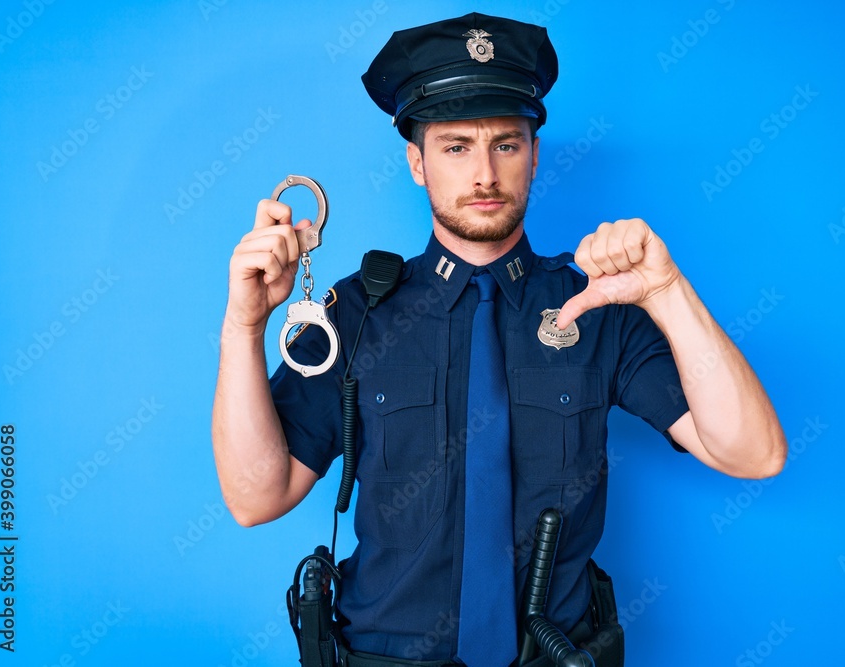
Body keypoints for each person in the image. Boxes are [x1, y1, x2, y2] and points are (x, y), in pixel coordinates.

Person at [212, 11, 786, 667]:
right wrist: (245, 324)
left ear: (535, 154)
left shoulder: (598, 303)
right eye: (456, 146)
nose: (484, 172)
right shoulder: (355, 312)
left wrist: (668, 293)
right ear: (417, 162)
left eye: (506, 144)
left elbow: (754, 454)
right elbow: (256, 497)